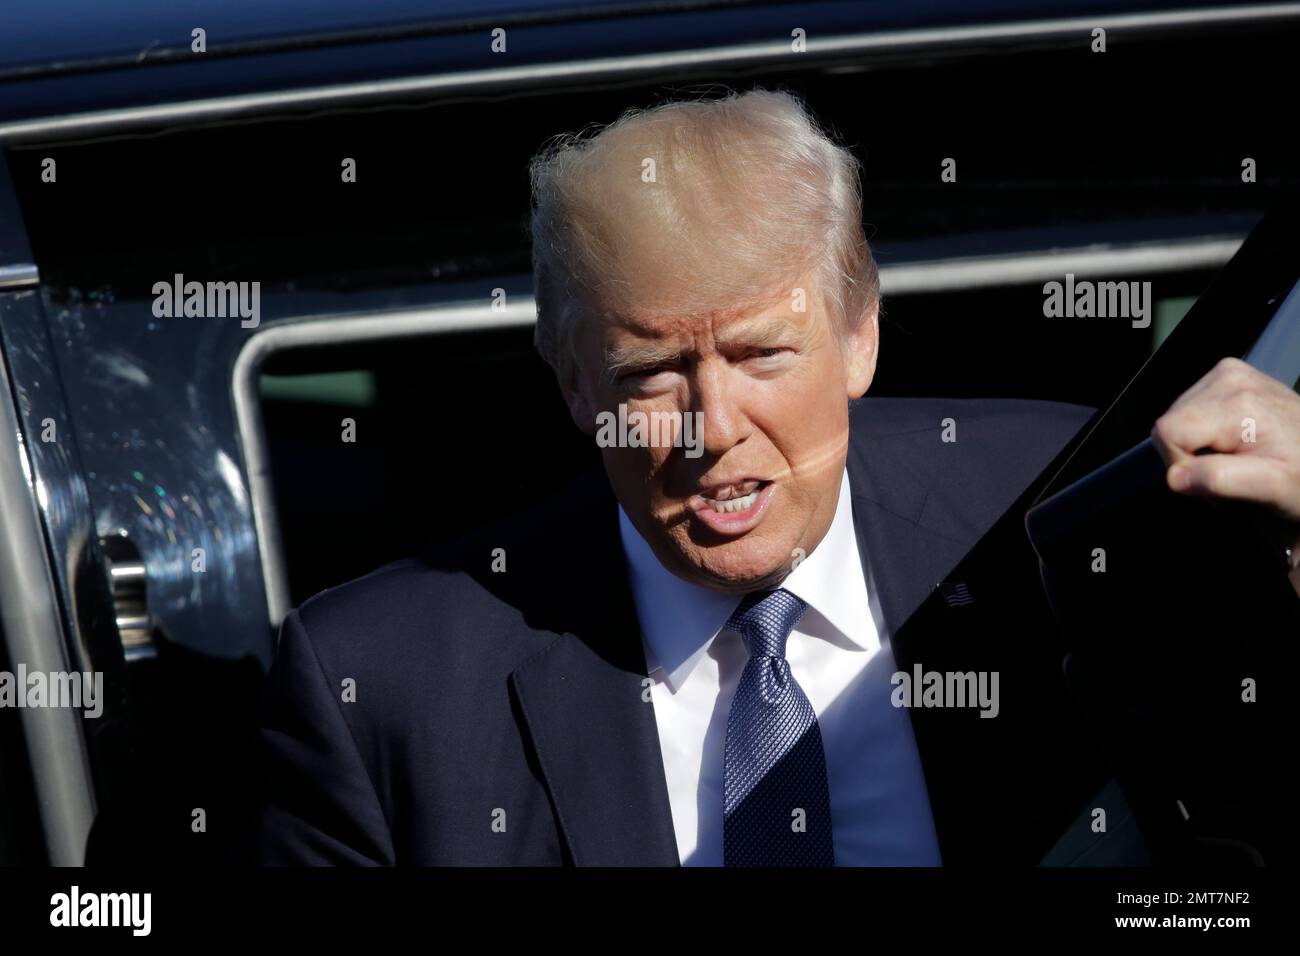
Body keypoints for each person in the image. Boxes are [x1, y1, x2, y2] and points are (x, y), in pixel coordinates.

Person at [255, 89, 1300, 866]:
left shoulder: (1064, 511)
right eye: (652, 371)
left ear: (858, 338)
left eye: (763, 354)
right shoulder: (387, 691)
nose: (713, 429)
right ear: (573, 384)